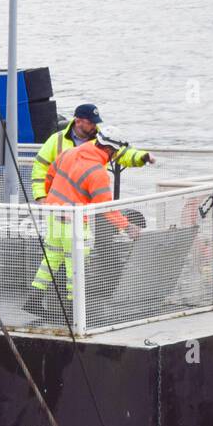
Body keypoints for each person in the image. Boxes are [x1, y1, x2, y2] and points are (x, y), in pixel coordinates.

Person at [27, 128, 140, 315]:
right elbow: (106, 208)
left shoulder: (69, 153)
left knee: (51, 258)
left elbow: (49, 175)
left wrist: (49, 199)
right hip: (74, 221)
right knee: (76, 263)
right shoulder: (97, 172)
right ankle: (75, 310)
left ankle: (34, 299)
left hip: (54, 213)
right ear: (111, 150)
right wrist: (127, 226)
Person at [31, 104, 153, 202]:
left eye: (96, 123)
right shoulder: (56, 140)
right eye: (91, 123)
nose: (94, 126)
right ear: (78, 121)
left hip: (92, 200)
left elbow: (123, 152)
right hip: (62, 203)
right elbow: (40, 168)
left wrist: (142, 157)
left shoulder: (102, 139)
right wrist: (41, 196)